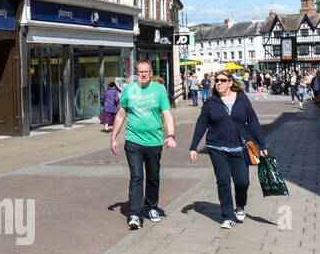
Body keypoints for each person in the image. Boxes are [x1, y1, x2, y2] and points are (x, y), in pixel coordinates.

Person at [189, 71, 267, 229]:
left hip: (239, 147)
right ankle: (226, 215)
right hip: (216, 147)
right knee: (223, 181)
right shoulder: (211, 102)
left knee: (242, 181)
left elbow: (252, 121)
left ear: (230, 82)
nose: (219, 83)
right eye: (217, 80)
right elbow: (201, 124)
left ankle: (240, 206)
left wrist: (262, 144)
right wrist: (194, 147)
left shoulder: (242, 99)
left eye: (223, 80)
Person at [111, 61, 176, 230]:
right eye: (141, 72)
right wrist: (113, 137)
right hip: (133, 140)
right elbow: (121, 113)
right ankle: (135, 214)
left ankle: (152, 207)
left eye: (147, 71)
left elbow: (167, 113)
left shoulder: (159, 90)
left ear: (151, 72)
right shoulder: (129, 89)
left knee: (153, 176)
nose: (144, 74)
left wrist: (170, 135)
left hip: (154, 141)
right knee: (136, 176)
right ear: (137, 73)